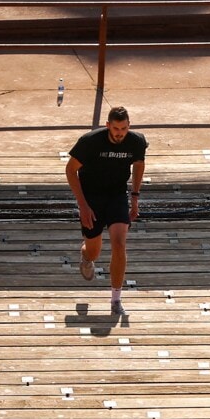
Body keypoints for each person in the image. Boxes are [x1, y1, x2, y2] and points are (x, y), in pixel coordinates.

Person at [65, 106, 147, 315]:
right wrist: (82, 205)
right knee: (94, 250)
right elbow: (70, 169)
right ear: (108, 125)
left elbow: (138, 165)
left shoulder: (136, 141)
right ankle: (86, 256)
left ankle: (116, 298)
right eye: (116, 128)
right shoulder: (90, 142)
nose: (120, 133)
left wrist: (135, 198)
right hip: (91, 198)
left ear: (129, 126)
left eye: (124, 128)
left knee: (119, 244)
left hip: (117, 196)